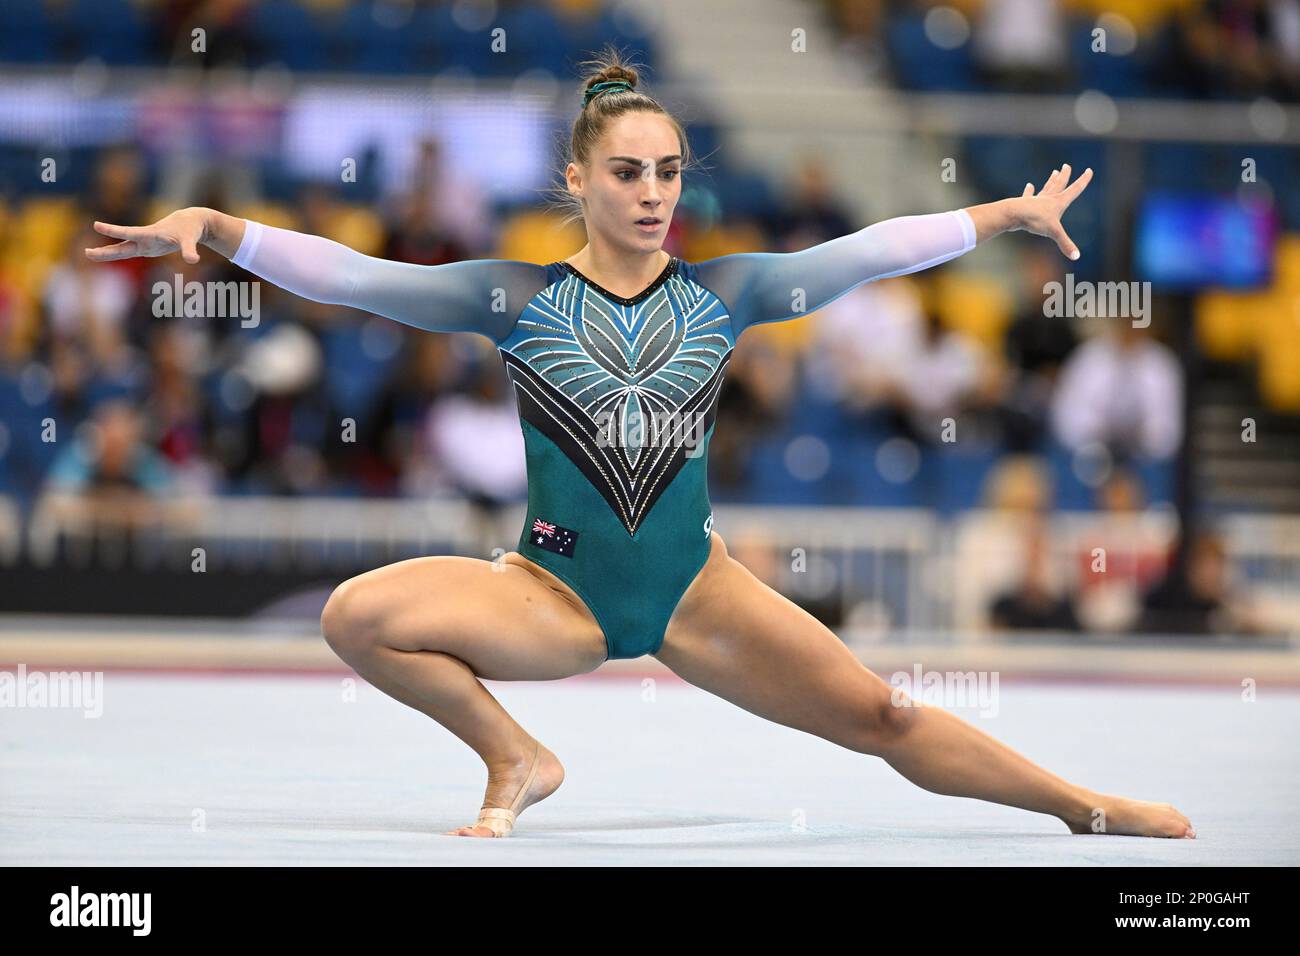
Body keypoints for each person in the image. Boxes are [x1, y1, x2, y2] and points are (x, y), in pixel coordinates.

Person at [85, 50, 1193, 841]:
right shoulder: (512, 298)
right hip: (551, 592)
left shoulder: (726, 294)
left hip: (696, 594)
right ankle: (515, 754)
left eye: (667, 172)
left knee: (884, 715)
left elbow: (868, 252)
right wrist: (219, 230)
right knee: (355, 617)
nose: (653, 193)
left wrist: (995, 217)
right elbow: (358, 277)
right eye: (627, 173)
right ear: (577, 180)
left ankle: (1085, 806)